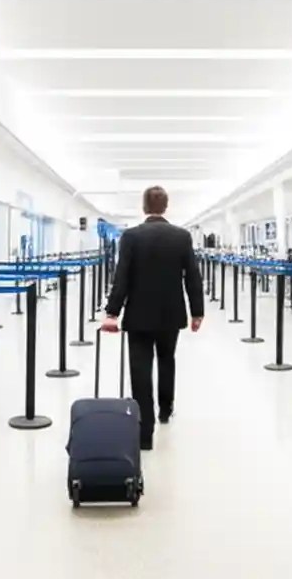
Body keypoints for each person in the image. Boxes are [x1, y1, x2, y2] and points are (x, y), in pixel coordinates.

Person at [102, 186, 204, 451]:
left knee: (140, 370)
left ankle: (145, 431)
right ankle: (165, 410)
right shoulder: (181, 237)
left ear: (144, 207)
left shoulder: (131, 237)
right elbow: (192, 275)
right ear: (166, 206)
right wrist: (197, 312)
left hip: (138, 315)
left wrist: (112, 312)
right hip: (171, 314)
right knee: (167, 360)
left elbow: (121, 276)